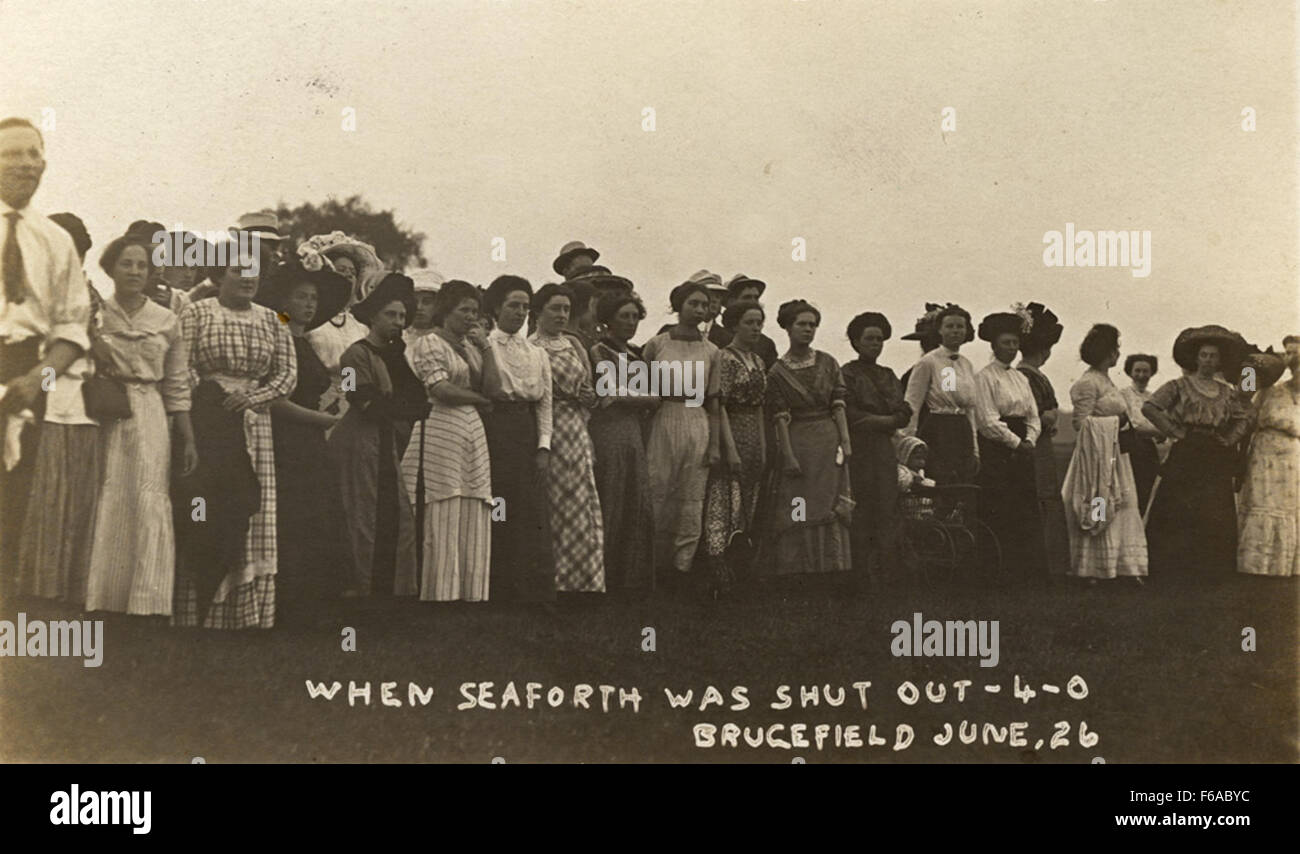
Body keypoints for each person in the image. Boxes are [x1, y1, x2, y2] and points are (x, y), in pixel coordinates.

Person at [173, 254, 296, 629]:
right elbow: (180, 364)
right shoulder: (196, 312)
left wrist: (253, 398)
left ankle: (244, 614)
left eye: (253, 272)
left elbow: (288, 374)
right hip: (207, 422)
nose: (247, 279)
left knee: (248, 506)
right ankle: (197, 608)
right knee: (206, 508)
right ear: (219, 275)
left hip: (254, 423)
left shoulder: (275, 318)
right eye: (238, 271)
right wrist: (212, 397)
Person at [0, 118, 92, 591]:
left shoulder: (56, 242)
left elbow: (73, 328)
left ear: (45, 164)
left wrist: (39, 378)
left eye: (32, 154)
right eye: (11, 153)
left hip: (25, 370)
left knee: (12, 493)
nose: (24, 164)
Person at [82, 233, 195, 616]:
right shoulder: (95, 315)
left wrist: (188, 438)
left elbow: (177, 382)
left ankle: (147, 601)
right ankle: (103, 598)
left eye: (142, 265)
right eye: (126, 264)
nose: (134, 271)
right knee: (109, 494)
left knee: (148, 497)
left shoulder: (167, 320)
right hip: (105, 409)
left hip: (149, 411)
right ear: (111, 268)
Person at [258, 261, 354, 614]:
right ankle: (290, 599)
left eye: (313, 298)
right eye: (301, 296)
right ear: (284, 300)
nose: (309, 304)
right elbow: (274, 399)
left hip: (312, 439)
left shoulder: (306, 340)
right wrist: (319, 419)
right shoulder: (277, 335)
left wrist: (330, 407)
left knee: (317, 515)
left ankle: (316, 598)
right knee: (294, 515)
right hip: (286, 438)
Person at [15, 212, 99, 604]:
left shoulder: (89, 294)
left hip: (77, 399)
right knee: (40, 493)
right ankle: (31, 581)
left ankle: (63, 584)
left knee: (71, 496)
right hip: (41, 395)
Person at [329, 273, 425, 598]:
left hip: (385, 441)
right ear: (373, 316)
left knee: (394, 512)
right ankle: (360, 587)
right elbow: (364, 402)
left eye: (402, 316)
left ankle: (390, 589)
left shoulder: (396, 355)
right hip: (357, 442)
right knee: (361, 513)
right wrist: (398, 405)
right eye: (390, 315)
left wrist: (397, 402)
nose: (398, 322)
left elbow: (418, 403)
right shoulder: (354, 355)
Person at [404, 279, 494, 601]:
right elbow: (439, 389)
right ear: (446, 311)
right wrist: (480, 400)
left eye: (475, 311)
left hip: (471, 430)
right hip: (440, 425)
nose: (470, 317)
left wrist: (485, 347)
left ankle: (468, 590)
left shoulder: (470, 347)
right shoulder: (430, 343)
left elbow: (492, 386)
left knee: (472, 499)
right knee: (443, 501)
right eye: (464, 310)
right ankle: (438, 589)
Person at [1143, 326, 1252, 580]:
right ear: (1196, 358)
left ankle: (1210, 569)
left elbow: (1245, 418)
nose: (1208, 361)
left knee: (1213, 508)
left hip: (1215, 455)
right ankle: (1171, 566)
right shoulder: (1178, 386)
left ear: (1219, 361)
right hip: (1187, 453)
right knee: (1178, 505)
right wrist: (1174, 431)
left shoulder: (1227, 391)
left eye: (1213, 356)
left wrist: (1228, 439)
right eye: (1204, 355)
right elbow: (1150, 407)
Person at [480, 275, 557, 603]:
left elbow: (545, 402)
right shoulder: (484, 344)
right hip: (493, 429)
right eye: (513, 305)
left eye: (525, 307)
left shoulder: (537, 353)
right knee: (497, 503)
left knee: (528, 509)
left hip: (525, 431)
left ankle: (526, 588)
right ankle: (496, 585)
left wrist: (543, 446)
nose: (520, 312)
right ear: (497, 307)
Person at [764, 299, 853, 576]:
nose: (807, 329)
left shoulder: (828, 362)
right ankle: (798, 570)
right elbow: (780, 415)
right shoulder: (777, 371)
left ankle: (830, 568)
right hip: (798, 440)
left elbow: (838, 403)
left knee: (828, 501)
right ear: (787, 328)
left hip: (828, 438)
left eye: (812, 325)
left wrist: (845, 441)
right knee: (799, 502)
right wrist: (788, 455)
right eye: (801, 324)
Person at [531, 283, 606, 594]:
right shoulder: (532, 347)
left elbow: (591, 393)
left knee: (582, 501)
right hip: (548, 428)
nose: (562, 315)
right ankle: (556, 580)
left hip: (577, 428)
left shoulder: (573, 345)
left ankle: (585, 581)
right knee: (556, 503)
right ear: (538, 312)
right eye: (555, 309)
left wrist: (589, 397)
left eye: (565, 309)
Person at [1061, 324, 1148, 583]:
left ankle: (1122, 566)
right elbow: (1081, 423)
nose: (1117, 355)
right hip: (1095, 458)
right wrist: (1115, 423)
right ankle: (1091, 569)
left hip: (1115, 455)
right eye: (1114, 350)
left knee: (1124, 504)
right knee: (1098, 502)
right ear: (1106, 353)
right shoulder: (1087, 383)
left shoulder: (1107, 380)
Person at [643, 280, 717, 581]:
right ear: (678, 306)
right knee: (657, 487)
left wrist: (714, 446)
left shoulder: (712, 351)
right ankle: (651, 564)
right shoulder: (657, 344)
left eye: (704, 305)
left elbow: (714, 401)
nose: (699, 310)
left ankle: (681, 567)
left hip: (697, 420)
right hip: (663, 418)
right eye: (692, 304)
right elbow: (640, 386)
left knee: (692, 494)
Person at [588, 291, 656, 593]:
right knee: (610, 497)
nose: (630, 322)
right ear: (608, 320)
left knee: (635, 497)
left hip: (632, 433)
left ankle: (629, 579)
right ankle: (602, 578)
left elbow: (654, 399)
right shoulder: (598, 351)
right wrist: (631, 397)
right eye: (623, 316)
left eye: (634, 316)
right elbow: (606, 393)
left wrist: (624, 396)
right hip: (608, 432)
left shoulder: (636, 355)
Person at [700, 299, 768, 596]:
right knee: (725, 499)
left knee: (748, 504)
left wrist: (763, 446)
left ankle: (740, 570)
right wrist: (730, 448)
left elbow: (761, 407)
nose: (755, 328)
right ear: (734, 325)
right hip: (732, 431)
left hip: (755, 431)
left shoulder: (759, 361)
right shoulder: (725, 358)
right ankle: (717, 572)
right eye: (749, 322)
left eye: (758, 323)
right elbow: (720, 404)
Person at [973, 311, 1043, 581]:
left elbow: (1033, 414)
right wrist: (1015, 443)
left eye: (1015, 343)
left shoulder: (1020, 378)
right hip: (998, 450)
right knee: (1001, 508)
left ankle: (1026, 572)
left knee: (1025, 509)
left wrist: (1029, 439)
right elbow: (987, 420)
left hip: (1022, 446)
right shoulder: (985, 377)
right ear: (993, 346)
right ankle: (998, 573)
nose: (1011, 349)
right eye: (1006, 343)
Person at [841, 311, 911, 582]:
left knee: (887, 505)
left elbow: (903, 411)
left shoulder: (888, 374)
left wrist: (880, 420)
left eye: (880, 339)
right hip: (859, 448)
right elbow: (849, 413)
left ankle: (888, 571)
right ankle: (858, 572)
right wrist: (884, 420)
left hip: (883, 449)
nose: (875, 344)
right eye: (869, 339)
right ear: (856, 342)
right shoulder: (848, 373)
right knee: (861, 505)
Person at [301, 232, 384, 419]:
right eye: (341, 270)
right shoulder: (307, 314)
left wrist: (347, 395)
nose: (347, 277)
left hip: (349, 400)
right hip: (311, 395)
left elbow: (352, 371)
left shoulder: (360, 326)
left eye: (352, 273)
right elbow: (282, 320)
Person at [1016, 302, 1071, 575]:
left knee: (1046, 493)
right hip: (1035, 445)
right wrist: (1048, 416)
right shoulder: (1025, 375)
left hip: (1043, 444)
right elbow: (1038, 415)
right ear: (1044, 349)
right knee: (1040, 493)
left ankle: (1051, 563)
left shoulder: (1035, 375)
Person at [1237, 339, 1298, 576]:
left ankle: (1285, 564)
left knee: (1289, 506)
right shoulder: (1269, 390)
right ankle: (1256, 563)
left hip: (1293, 458)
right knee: (1263, 502)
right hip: (1265, 456)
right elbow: (1246, 407)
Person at [902, 303, 979, 484]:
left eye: (960, 326)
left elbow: (966, 406)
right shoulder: (929, 362)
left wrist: (975, 449)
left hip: (962, 430)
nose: (955, 331)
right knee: (941, 485)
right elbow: (912, 403)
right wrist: (908, 446)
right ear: (940, 330)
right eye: (949, 326)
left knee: (962, 486)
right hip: (939, 430)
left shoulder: (965, 364)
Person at [1119, 353, 1164, 515]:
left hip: (1148, 450)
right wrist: (1161, 430)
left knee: (1148, 489)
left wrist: (1161, 431)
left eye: (1145, 371)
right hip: (1130, 448)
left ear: (1151, 373)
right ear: (1130, 372)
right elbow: (1135, 424)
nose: (1141, 375)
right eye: (1137, 371)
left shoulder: (1153, 398)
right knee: (1131, 491)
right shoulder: (1123, 395)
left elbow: (1160, 423)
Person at [711, 274, 779, 369]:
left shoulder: (765, 344)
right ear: (730, 302)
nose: (753, 302)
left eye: (756, 298)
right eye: (747, 298)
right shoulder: (713, 337)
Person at [403, 267, 443, 348]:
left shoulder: (447, 339)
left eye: (427, 302)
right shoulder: (397, 338)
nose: (419, 307)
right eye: (414, 302)